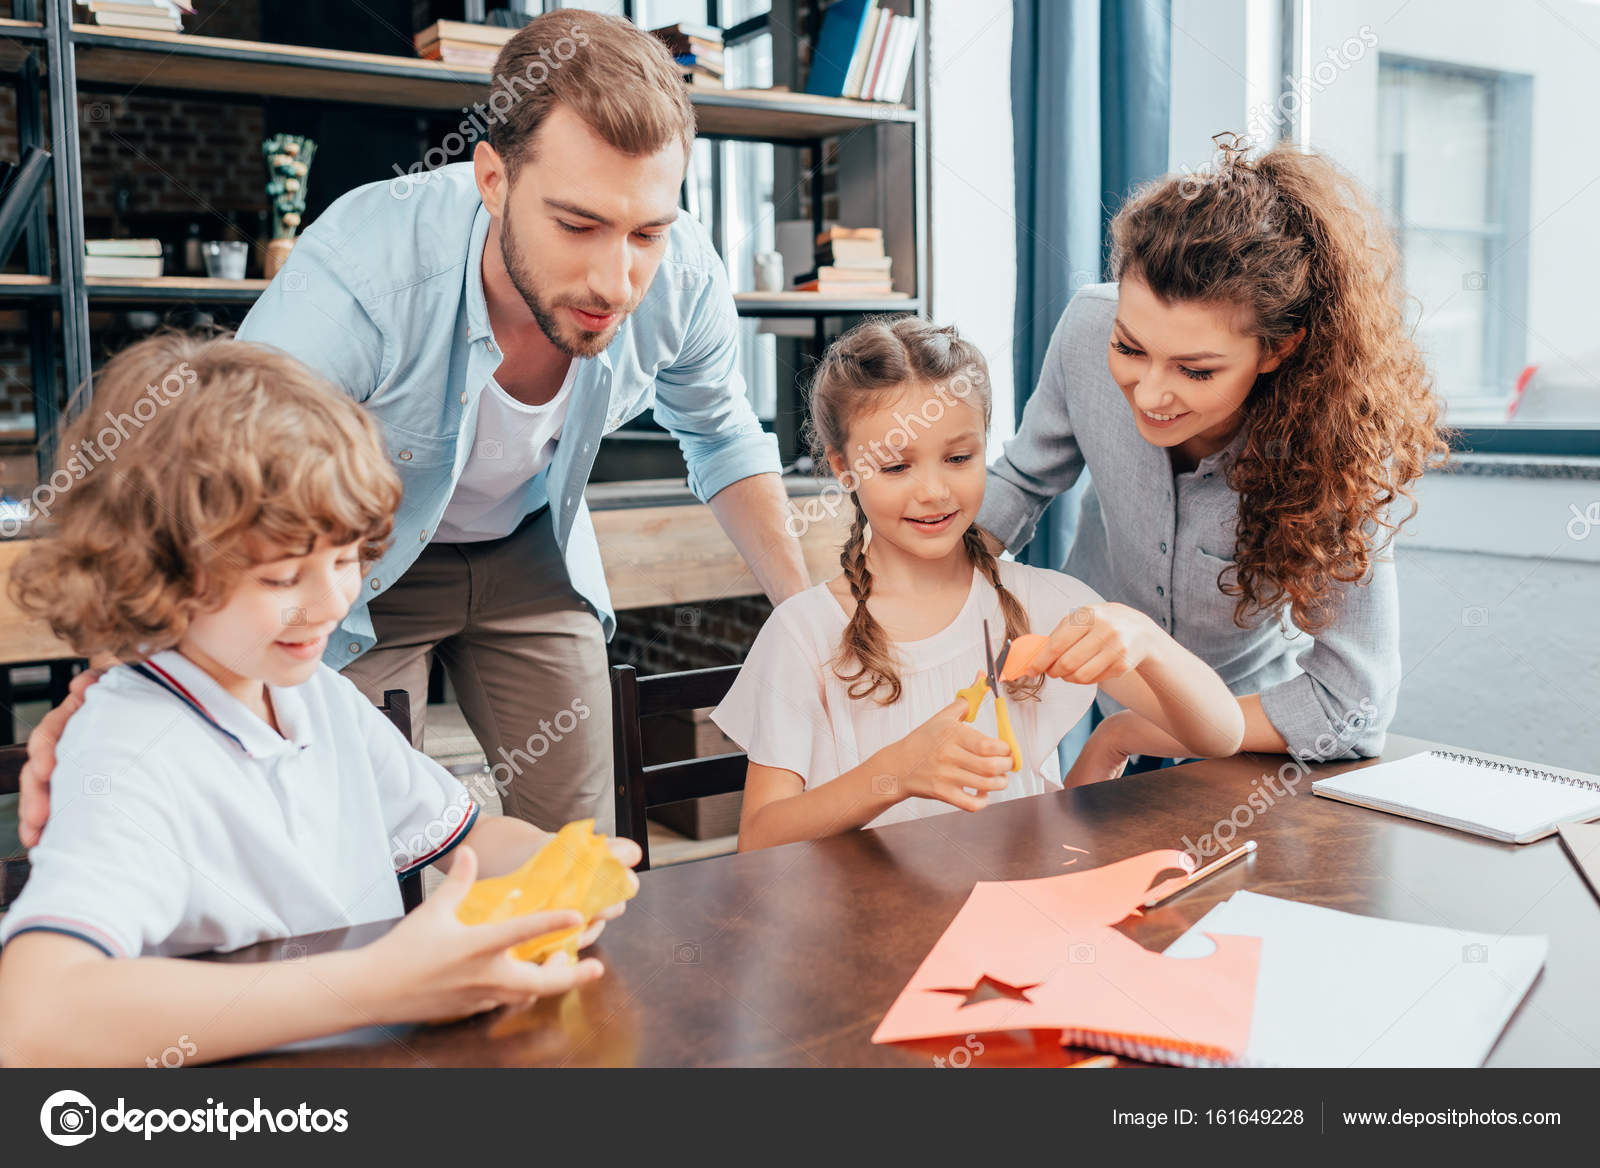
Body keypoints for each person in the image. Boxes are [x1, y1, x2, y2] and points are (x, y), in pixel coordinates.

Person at [14, 9, 811, 842]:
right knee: (345, 834)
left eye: (646, 230)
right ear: (493, 179)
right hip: (363, 566)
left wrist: (804, 616)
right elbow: (211, 469)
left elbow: (721, 436)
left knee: (583, 842)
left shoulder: (682, 276)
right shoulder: (365, 272)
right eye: (577, 225)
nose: (615, 279)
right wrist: (108, 686)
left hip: (531, 548)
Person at [0, 335, 639, 1066]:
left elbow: (471, 839)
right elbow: (34, 1017)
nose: (332, 601)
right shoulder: (127, 750)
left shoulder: (319, 698)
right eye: (281, 579)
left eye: (344, 560)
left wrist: (564, 871)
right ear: (160, 568)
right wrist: (378, 986)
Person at [978, 139, 1447, 780]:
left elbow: (1352, 710)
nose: (1148, 395)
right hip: (1089, 696)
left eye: (1195, 371)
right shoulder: (1087, 328)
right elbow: (1022, 481)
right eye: (1130, 347)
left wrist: (1134, 733)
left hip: (1252, 732)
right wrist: (906, 593)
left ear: (1278, 350)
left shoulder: (1339, 449)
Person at [713, 319, 1244, 850]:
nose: (934, 491)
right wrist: (894, 773)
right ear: (844, 469)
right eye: (896, 466)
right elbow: (759, 841)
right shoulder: (804, 632)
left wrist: (1145, 640)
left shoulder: (1048, 603)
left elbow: (1220, 736)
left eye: (959, 458)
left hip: (1019, 917)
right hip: (869, 924)